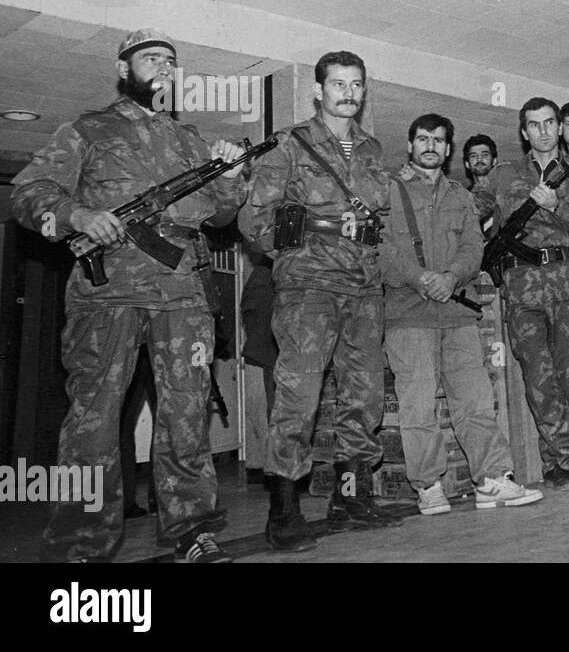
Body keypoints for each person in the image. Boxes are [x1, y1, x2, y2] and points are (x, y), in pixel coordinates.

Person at [12, 28, 245, 563]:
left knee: (186, 416)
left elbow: (221, 215)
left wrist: (234, 175)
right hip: (108, 295)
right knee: (92, 424)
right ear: (124, 70)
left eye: (170, 60)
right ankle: (79, 547)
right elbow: (30, 193)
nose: (163, 67)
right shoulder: (87, 130)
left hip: (183, 294)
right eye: (150, 58)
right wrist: (77, 215)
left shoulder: (192, 143)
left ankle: (192, 531)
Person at [240, 50, 402, 552]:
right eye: (338, 84)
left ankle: (350, 496)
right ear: (319, 90)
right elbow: (253, 219)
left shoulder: (373, 150)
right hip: (309, 286)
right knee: (299, 395)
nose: (348, 93)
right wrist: (293, 258)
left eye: (356, 85)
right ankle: (283, 509)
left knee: (364, 394)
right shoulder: (290, 145)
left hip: (362, 286)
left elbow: (381, 219)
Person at [381, 113, 542, 514]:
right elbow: (381, 252)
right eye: (422, 139)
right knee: (417, 404)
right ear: (410, 146)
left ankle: (492, 480)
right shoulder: (388, 192)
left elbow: (474, 248)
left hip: (457, 312)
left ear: (449, 149)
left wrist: (451, 277)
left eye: (438, 139)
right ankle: (428, 486)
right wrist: (420, 278)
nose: (430, 146)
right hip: (407, 313)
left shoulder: (461, 197)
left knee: (475, 400)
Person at [474, 97, 569, 490]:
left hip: (568, 282)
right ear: (524, 131)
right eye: (535, 125)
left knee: (568, 378)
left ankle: (556, 466)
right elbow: (467, 211)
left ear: (560, 128)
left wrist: (558, 205)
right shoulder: (502, 175)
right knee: (538, 375)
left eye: (551, 123)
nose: (544, 131)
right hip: (522, 288)